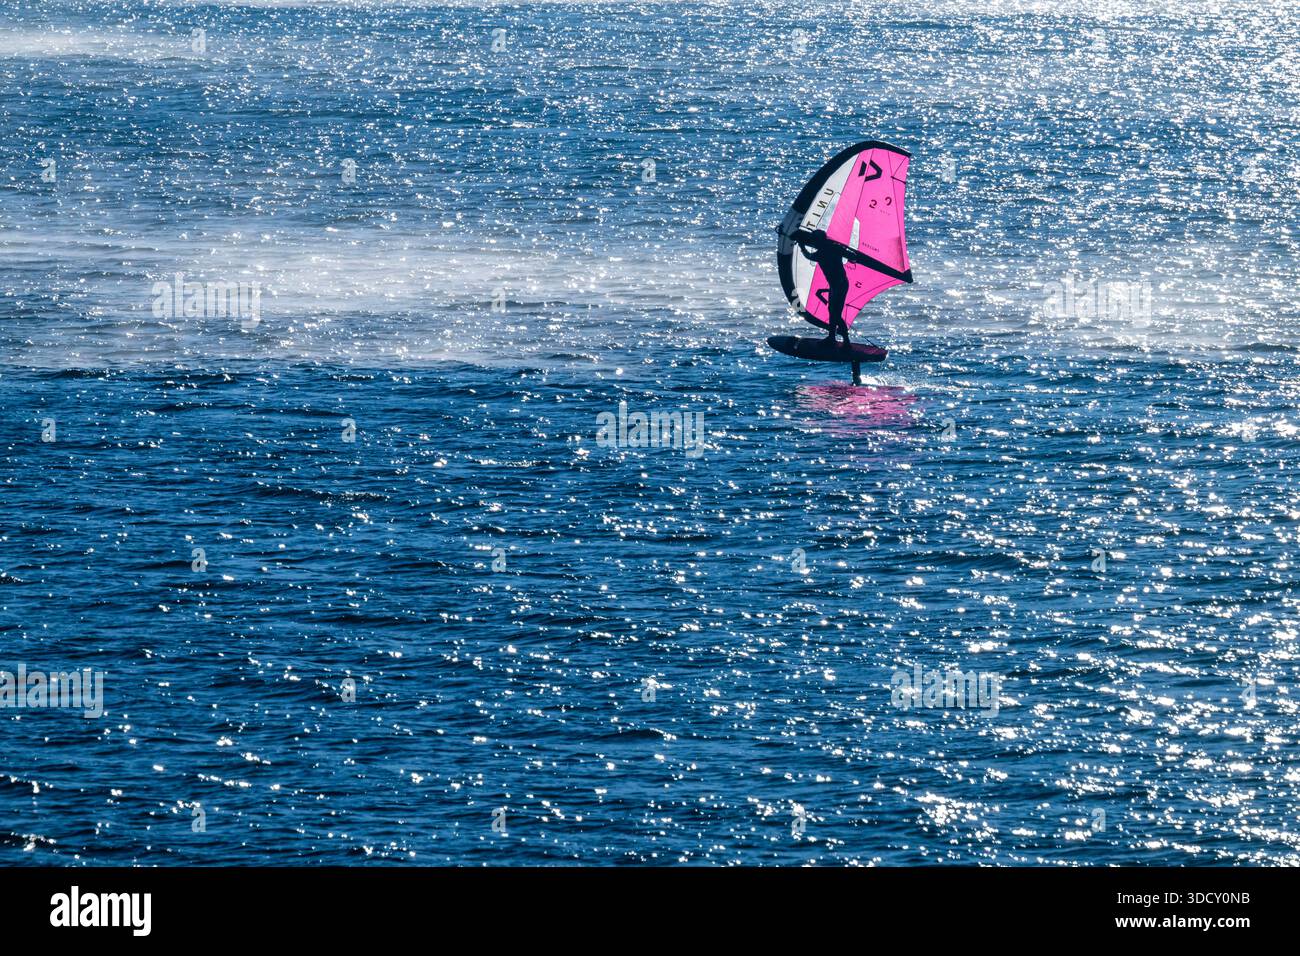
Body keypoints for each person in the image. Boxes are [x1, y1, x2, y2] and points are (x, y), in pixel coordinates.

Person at [793, 228, 851, 347]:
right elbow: (851, 256)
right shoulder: (834, 247)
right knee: (832, 312)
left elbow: (809, 256)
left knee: (835, 314)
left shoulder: (822, 252)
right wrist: (848, 253)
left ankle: (845, 341)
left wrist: (802, 246)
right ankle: (832, 338)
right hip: (837, 285)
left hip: (839, 285)